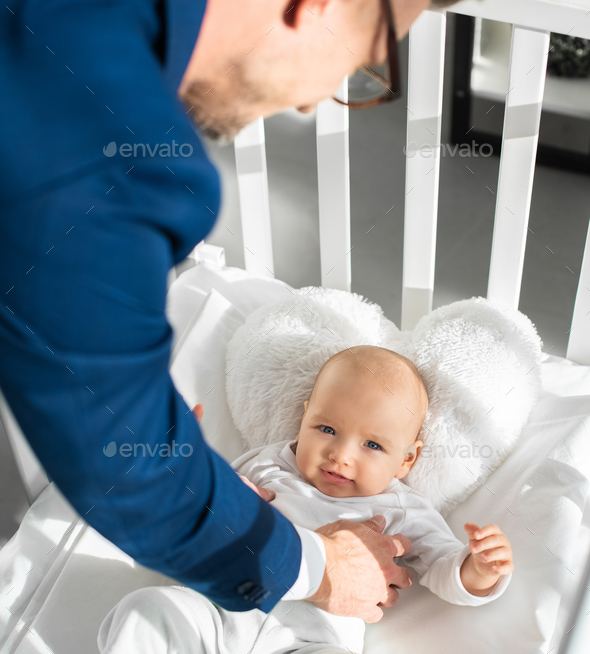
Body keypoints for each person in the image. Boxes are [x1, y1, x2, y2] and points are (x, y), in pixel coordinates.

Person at [0, 0, 461, 620]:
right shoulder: (116, 159)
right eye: (360, 63)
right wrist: (316, 567)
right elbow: (124, 447)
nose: (313, 103)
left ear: (408, 459)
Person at [59, 346, 514, 654]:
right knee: (144, 611)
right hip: (211, 631)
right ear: (304, 417)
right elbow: (208, 507)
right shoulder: (268, 465)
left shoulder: (402, 509)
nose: (341, 455)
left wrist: (479, 568)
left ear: (407, 459)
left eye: (372, 444)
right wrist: (194, 476)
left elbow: (445, 570)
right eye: (327, 429)